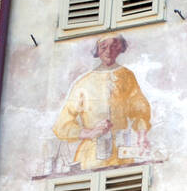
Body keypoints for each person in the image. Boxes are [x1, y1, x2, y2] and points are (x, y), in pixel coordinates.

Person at [52, 34, 151, 171]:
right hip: (91, 157)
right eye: (103, 47)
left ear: (120, 48)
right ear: (97, 51)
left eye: (114, 45)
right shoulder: (83, 83)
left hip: (122, 155)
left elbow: (140, 110)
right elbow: (61, 125)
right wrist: (90, 132)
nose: (108, 51)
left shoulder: (127, 76)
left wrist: (142, 135)